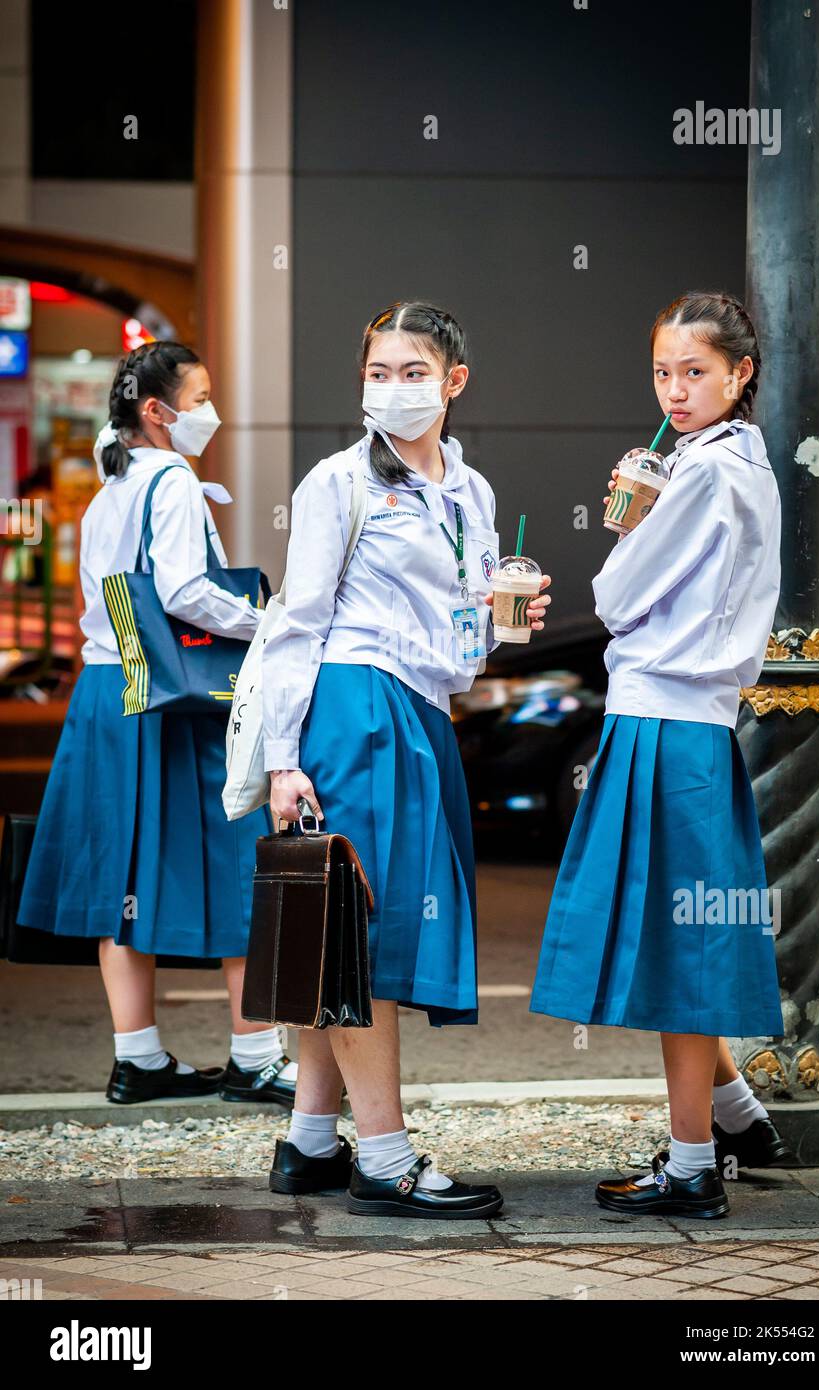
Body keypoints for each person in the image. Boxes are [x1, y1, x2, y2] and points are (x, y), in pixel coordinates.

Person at [262, 301, 552, 1218]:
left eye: (411, 373)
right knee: (364, 935)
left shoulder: (472, 491)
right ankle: (383, 1159)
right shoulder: (334, 483)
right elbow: (294, 626)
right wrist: (281, 758)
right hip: (354, 707)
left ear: (453, 381)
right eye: (377, 374)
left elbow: (461, 647)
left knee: (331, 928)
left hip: (423, 712)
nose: (391, 390)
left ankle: (310, 1141)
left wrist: (509, 623)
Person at [530, 291, 791, 1219]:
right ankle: (735, 1119)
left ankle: (690, 1168)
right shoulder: (736, 462)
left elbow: (614, 594)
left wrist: (630, 519)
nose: (675, 391)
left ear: (739, 373)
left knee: (678, 952)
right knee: (684, 939)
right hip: (692, 722)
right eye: (662, 373)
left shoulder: (702, 473)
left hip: (664, 720)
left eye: (695, 372)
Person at [17, 342, 297, 1109]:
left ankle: (137, 1057)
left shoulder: (112, 486)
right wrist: (262, 621)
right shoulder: (171, 479)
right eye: (199, 396)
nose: (210, 411)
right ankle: (255, 1055)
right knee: (237, 856)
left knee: (121, 874)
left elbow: (109, 600)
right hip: (177, 700)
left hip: (109, 691)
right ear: (157, 410)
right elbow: (183, 592)